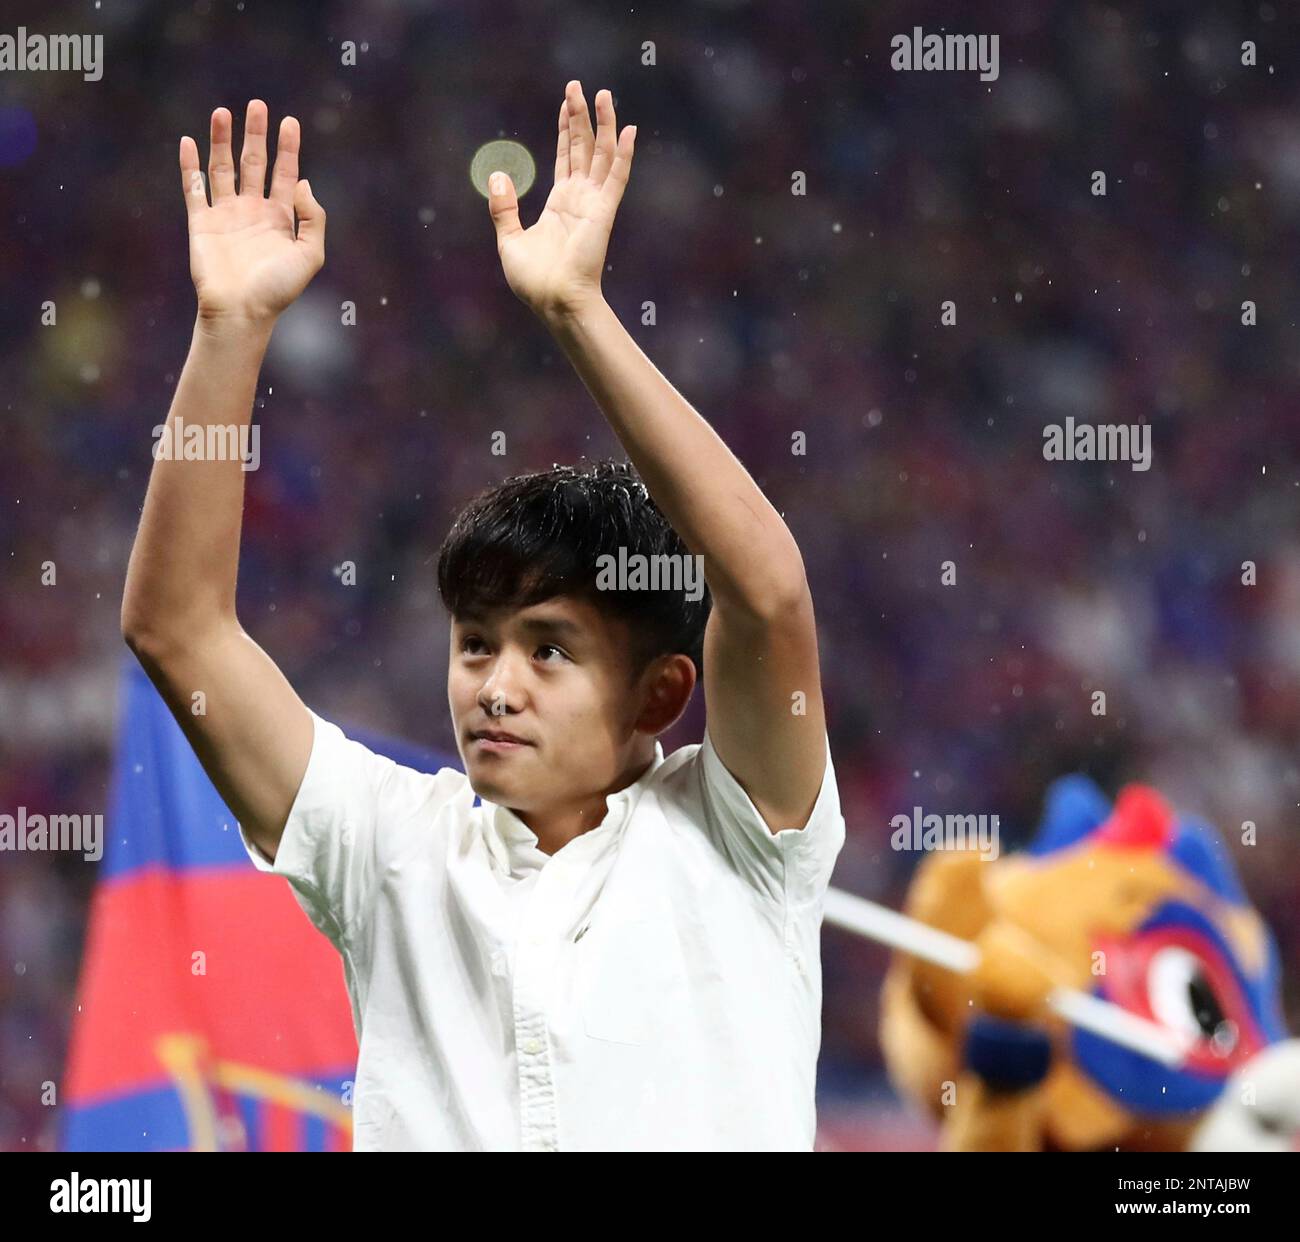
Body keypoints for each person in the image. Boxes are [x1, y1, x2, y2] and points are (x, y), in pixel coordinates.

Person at [120, 81, 846, 1151]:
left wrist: (577, 314)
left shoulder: (743, 837)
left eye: (548, 649)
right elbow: (177, 632)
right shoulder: (388, 847)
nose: (493, 686)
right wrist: (228, 330)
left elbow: (766, 591)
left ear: (660, 692)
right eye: (473, 644)